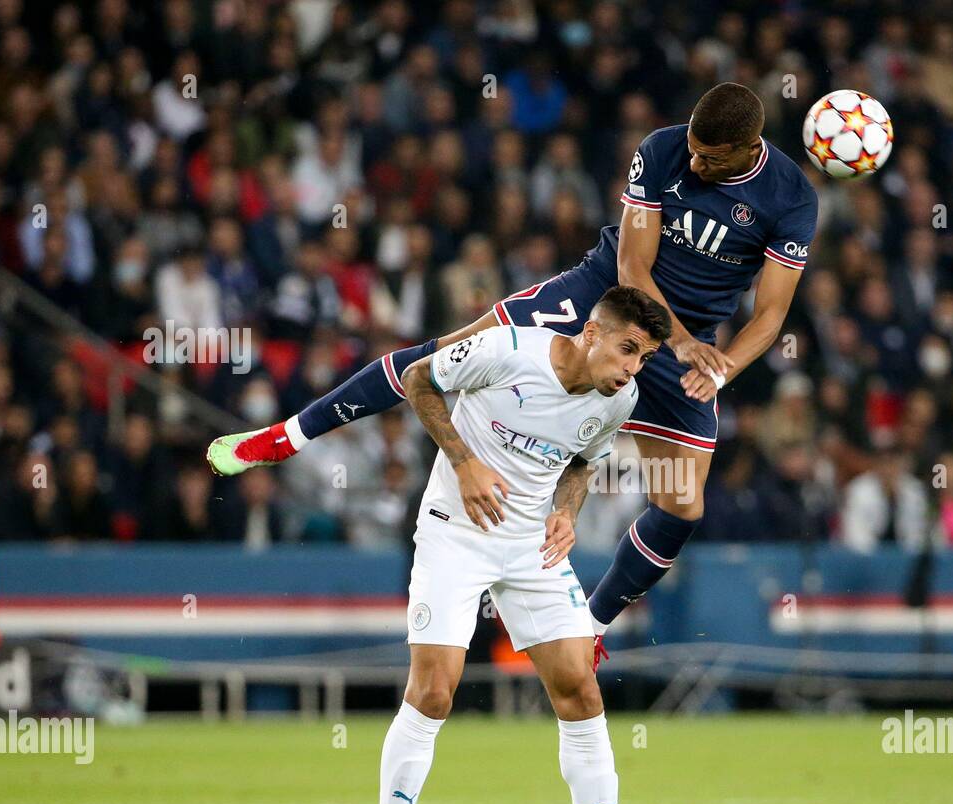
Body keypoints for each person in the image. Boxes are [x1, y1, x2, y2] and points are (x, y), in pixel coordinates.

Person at [206, 82, 818, 669]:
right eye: (692, 148)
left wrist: (722, 367)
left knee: (682, 505)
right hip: (600, 300)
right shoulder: (663, 148)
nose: (695, 160)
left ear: (745, 149)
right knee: (436, 358)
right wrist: (680, 343)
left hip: (681, 347)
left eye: (709, 158)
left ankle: (593, 626)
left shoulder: (791, 198)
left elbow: (770, 314)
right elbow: (633, 265)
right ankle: (283, 437)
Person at [356, 286, 669, 804]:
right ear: (592, 333)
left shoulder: (620, 397)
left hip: (531, 547)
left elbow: (582, 462)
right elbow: (419, 379)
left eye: (645, 357)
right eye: (629, 350)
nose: (634, 368)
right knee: (435, 689)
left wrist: (567, 512)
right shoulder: (509, 350)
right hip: (455, 530)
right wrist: (465, 463)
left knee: (580, 688)